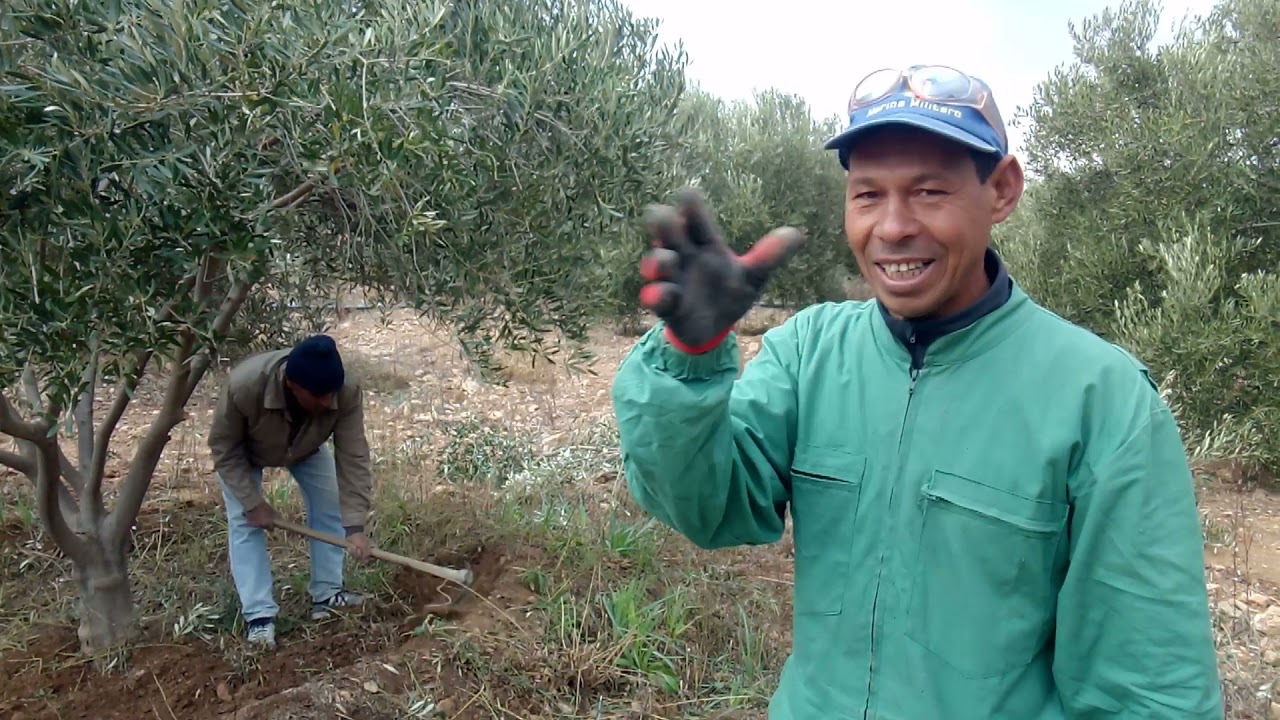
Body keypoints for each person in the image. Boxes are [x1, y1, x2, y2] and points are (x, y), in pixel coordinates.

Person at [611, 64, 1223, 719]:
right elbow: (710, 507)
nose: (894, 227)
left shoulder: (1101, 399)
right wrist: (691, 356)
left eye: (929, 192)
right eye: (868, 195)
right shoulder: (809, 354)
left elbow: (1149, 685)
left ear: (1002, 191)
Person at [207, 333, 375, 650]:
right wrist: (253, 502)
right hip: (243, 454)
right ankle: (259, 618)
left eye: (331, 394)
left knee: (330, 505)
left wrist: (354, 526)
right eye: (319, 396)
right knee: (245, 522)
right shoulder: (245, 385)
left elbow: (353, 456)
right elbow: (223, 449)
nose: (328, 402)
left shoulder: (345, 391)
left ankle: (327, 595)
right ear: (292, 385)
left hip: (306, 447)